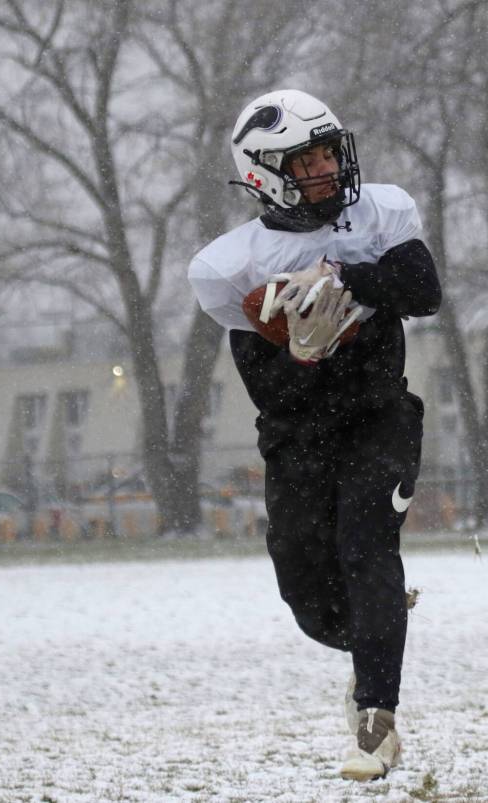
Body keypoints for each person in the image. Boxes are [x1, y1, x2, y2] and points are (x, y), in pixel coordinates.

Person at [188, 88, 441, 781]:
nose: (328, 168)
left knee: (366, 543)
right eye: (309, 159)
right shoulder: (231, 265)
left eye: (331, 152)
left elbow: (423, 288)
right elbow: (268, 392)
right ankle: (373, 631)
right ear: (265, 175)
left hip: (379, 415)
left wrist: (342, 276)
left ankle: (376, 720)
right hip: (299, 436)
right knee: (307, 589)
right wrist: (302, 349)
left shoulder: (379, 213)